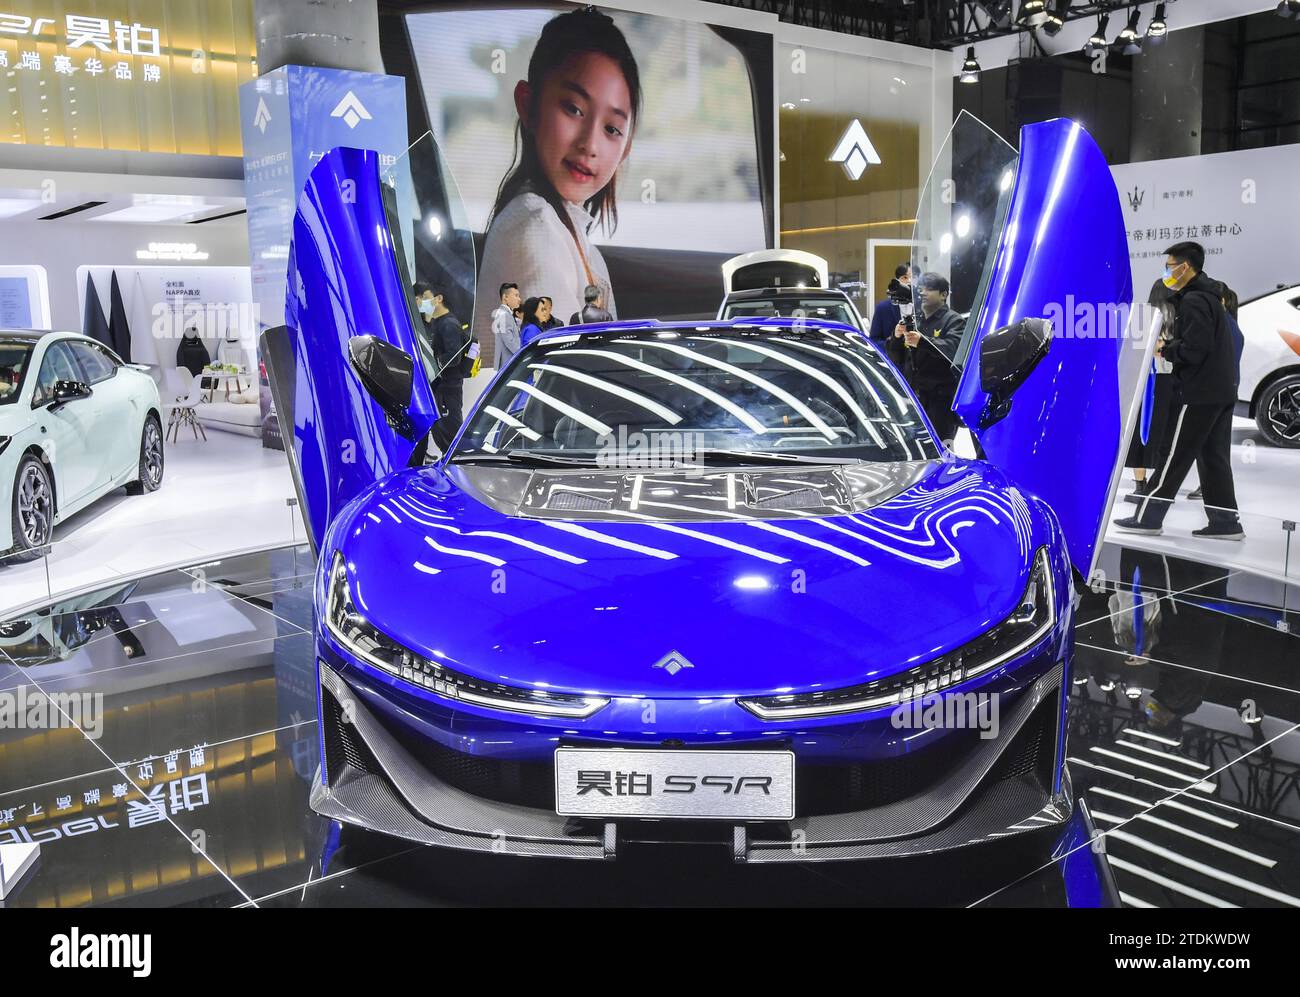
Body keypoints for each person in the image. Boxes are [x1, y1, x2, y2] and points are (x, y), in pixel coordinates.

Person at [473, 7, 639, 351]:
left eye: (611, 128)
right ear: (527, 104)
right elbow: (556, 382)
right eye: (574, 109)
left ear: (625, 148)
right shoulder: (534, 228)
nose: (589, 144)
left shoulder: (559, 224)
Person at [1114, 242, 1243, 540]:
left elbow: (1194, 350)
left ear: (1185, 267)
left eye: (1171, 265)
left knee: (1174, 456)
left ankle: (1148, 518)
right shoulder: (1212, 299)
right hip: (1221, 392)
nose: (1168, 271)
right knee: (1213, 458)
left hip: (1199, 392)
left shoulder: (1195, 301)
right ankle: (1226, 523)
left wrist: (1166, 348)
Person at [885, 271, 964, 444]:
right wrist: (897, 337)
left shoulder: (954, 320)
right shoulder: (916, 321)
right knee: (916, 450)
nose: (922, 293)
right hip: (914, 399)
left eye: (929, 289)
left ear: (944, 295)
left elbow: (953, 349)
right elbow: (895, 356)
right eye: (921, 289)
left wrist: (923, 341)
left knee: (942, 450)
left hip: (941, 402)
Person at [414, 282, 469, 452]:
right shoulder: (438, 323)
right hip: (442, 389)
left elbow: (454, 357)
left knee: (449, 435)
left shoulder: (449, 324)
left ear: (439, 298)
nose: (422, 302)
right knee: (441, 432)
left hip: (448, 389)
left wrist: (432, 364)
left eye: (425, 297)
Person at [869, 264, 912, 342]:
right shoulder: (883, 308)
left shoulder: (923, 307)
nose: (909, 281)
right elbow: (874, 340)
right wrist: (892, 344)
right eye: (905, 277)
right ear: (897, 281)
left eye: (914, 277)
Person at [491, 282, 522, 368]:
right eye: (516, 295)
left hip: (508, 362)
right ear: (505, 297)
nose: (519, 299)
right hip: (509, 363)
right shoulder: (504, 315)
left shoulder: (505, 314)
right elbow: (509, 342)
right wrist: (523, 354)